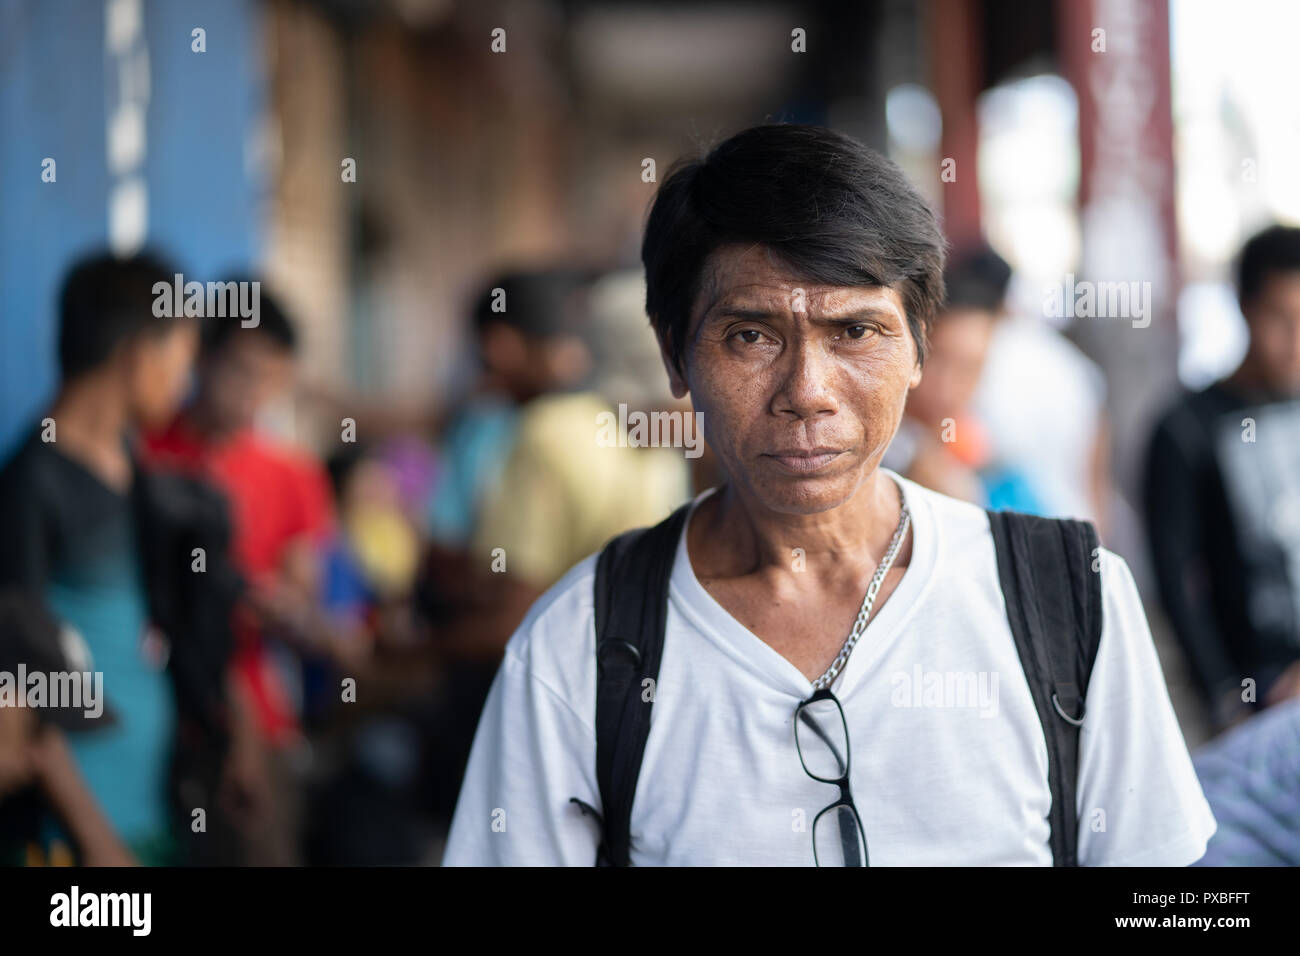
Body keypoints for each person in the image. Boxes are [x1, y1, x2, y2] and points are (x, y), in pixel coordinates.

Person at [442, 124, 1215, 866]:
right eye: (750, 335)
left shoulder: (1068, 604)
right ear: (674, 354)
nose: (807, 393)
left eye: (855, 332)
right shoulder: (578, 646)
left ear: (918, 346)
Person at [0, 251, 245, 865]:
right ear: (138, 353)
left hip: (148, 819)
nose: (185, 378)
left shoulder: (133, 470)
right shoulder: (32, 485)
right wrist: (96, 840)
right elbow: (17, 684)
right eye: (182, 355)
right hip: (74, 839)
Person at [142, 283, 338, 865]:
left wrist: (282, 608)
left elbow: (309, 609)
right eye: (243, 372)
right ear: (200, 356)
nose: (257, 394)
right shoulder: (143, 452)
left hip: (256, 722)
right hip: (154, 715)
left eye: (273, 378)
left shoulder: (292, 474)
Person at [1144, 224, 1300, 733]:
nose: (1295, 341)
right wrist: (1226, 696)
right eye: (1280, 318)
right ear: (1244, 307)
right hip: (1254, 704)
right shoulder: (1187, 429)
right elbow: (1174, 577)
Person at [885, 245, 1042, 512]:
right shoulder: (880, 449)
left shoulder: (991, 453)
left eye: (969, 368)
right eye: (937, 358)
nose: (947, 386)